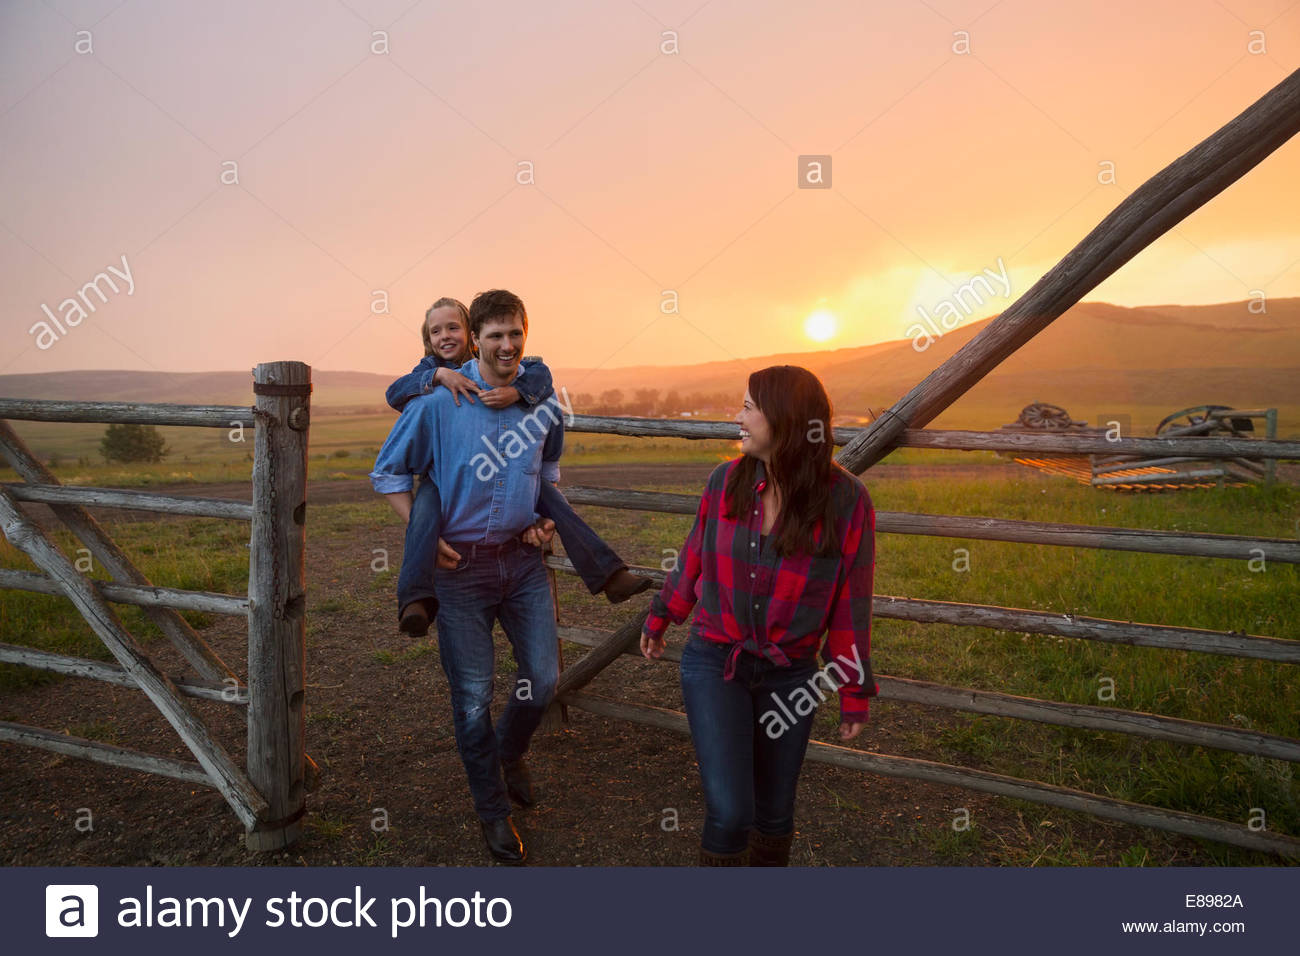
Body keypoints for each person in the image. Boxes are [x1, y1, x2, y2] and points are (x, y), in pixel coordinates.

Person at [640, 365, 877, 866]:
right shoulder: (724, 481)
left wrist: (853, 692)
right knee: (730, 812)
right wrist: (662, 616)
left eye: (749, 407)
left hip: (791, 675)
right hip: (714, 659)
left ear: (786, 420)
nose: (738, 418)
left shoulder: (847, 501)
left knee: (774, 815)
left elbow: (851, 605)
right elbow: (694, 556)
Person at [370, 289, 563, 865]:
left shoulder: (541, 406)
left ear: (525, 337)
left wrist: (544, 522)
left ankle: (509, 752)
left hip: (523, 565)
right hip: (460, 574)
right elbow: (386, 474)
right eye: (495, 336)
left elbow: (548, 473)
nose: (506, 346)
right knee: (473, 696)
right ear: (476, 340)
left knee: (543, 679)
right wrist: (427, 537)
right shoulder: (435, 405)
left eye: (515, 335)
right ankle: (493, 812)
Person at [388, 297, 650, 637]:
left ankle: (609, 573)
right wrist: (439, 375)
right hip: (443, 473)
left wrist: (517, 392)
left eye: (453, 327)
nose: (445, 336)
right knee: (423, 520)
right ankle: (415, 600)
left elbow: (542, 374)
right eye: (435, 331)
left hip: (503, 469)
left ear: (472, 335)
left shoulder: (495, 359)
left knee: (554, 502)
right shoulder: (428, 370)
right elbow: (394, 393)